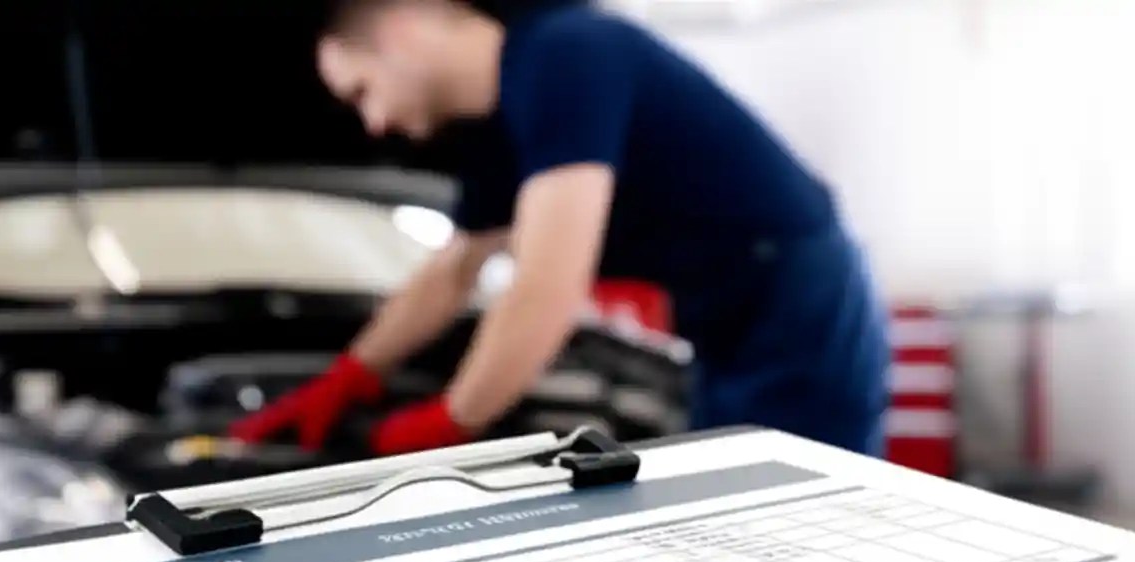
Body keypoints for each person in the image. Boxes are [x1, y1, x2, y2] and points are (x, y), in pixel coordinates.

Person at [229, 0, 890, 457]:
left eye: (360, 92)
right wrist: (350, 374)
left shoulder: (566, 52)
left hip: (800, 305)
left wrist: (447, 422)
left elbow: (546, 286)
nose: (371, 123)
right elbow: (451, 272)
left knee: (799, 530)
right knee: (730, 521)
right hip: (728, 324)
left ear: (398, 31)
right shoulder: (499, 125)